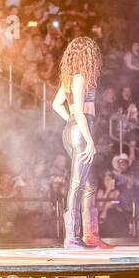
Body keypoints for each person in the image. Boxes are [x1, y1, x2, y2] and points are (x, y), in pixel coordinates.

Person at [50, 36, 110, 249]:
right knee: (77, 183)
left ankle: (90, 234)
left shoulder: (70, 78)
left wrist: (70, 120)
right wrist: (89, 140)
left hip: (75, 128)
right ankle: (72, 238)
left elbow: (56, 104)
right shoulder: (79, 78)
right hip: (81, 130)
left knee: (90, 184)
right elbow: (79, 111)